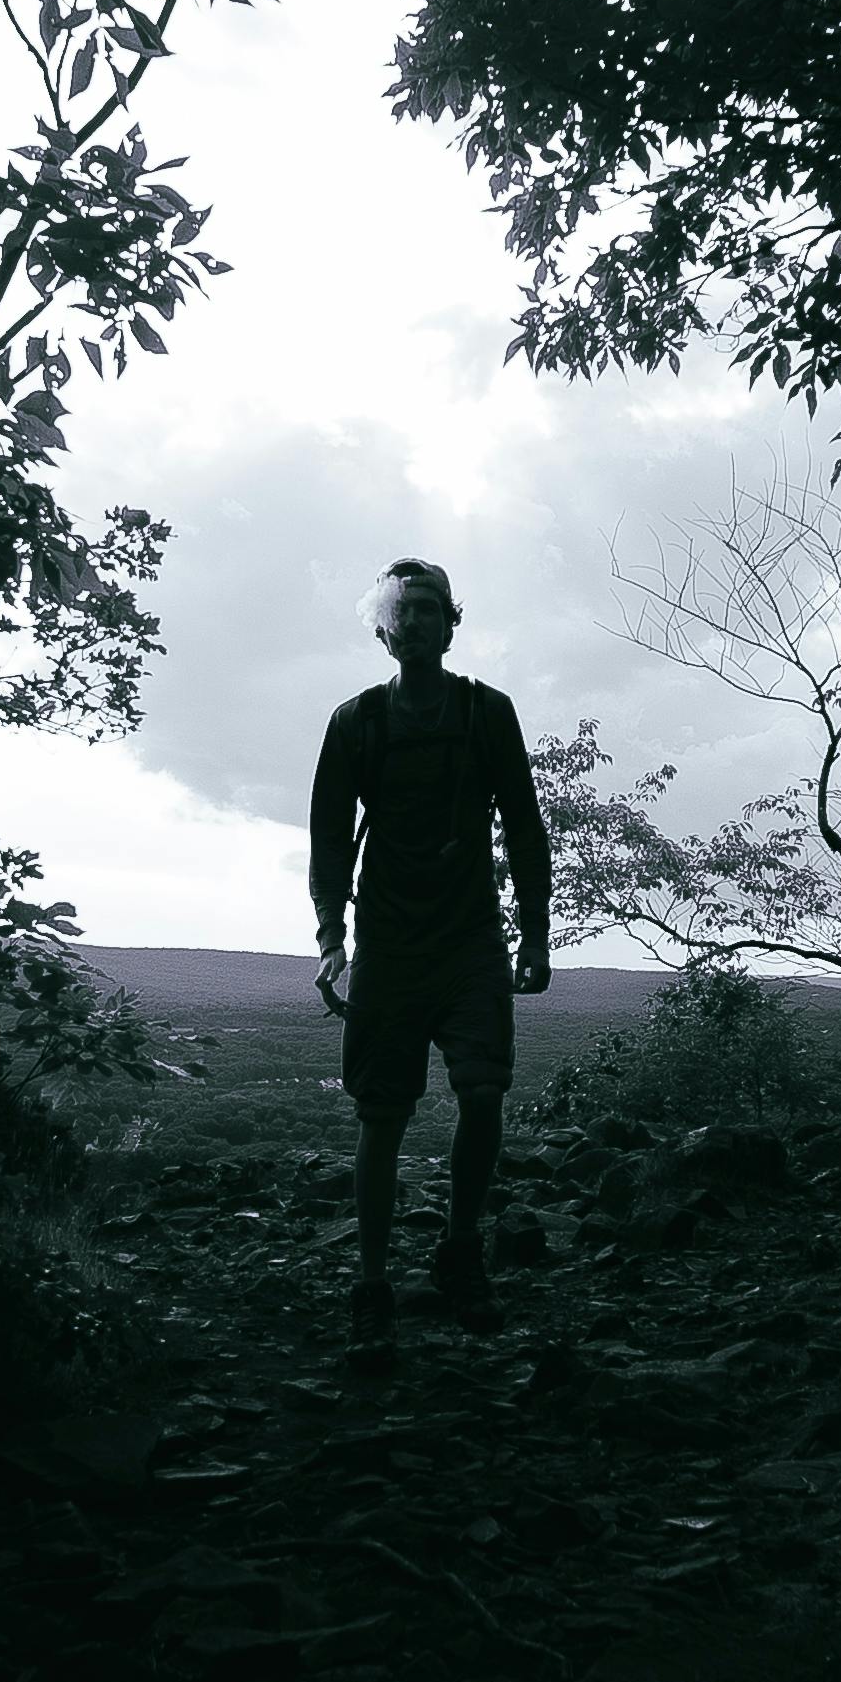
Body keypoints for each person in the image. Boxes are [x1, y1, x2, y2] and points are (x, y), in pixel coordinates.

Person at [310, 557, 551, 1351]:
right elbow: (328, 843)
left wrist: (536, 931)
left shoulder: (488, 713)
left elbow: (522, 824)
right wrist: (331, 939)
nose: (414, 620)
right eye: (400, 611)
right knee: (382, 1113)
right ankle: (371, 1282)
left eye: (428, 609)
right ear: (384, 633)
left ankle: (459, 1250)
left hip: (471, 937)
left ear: (453, 622)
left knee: (483, 1092)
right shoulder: (355, 722)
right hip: (387, 942)